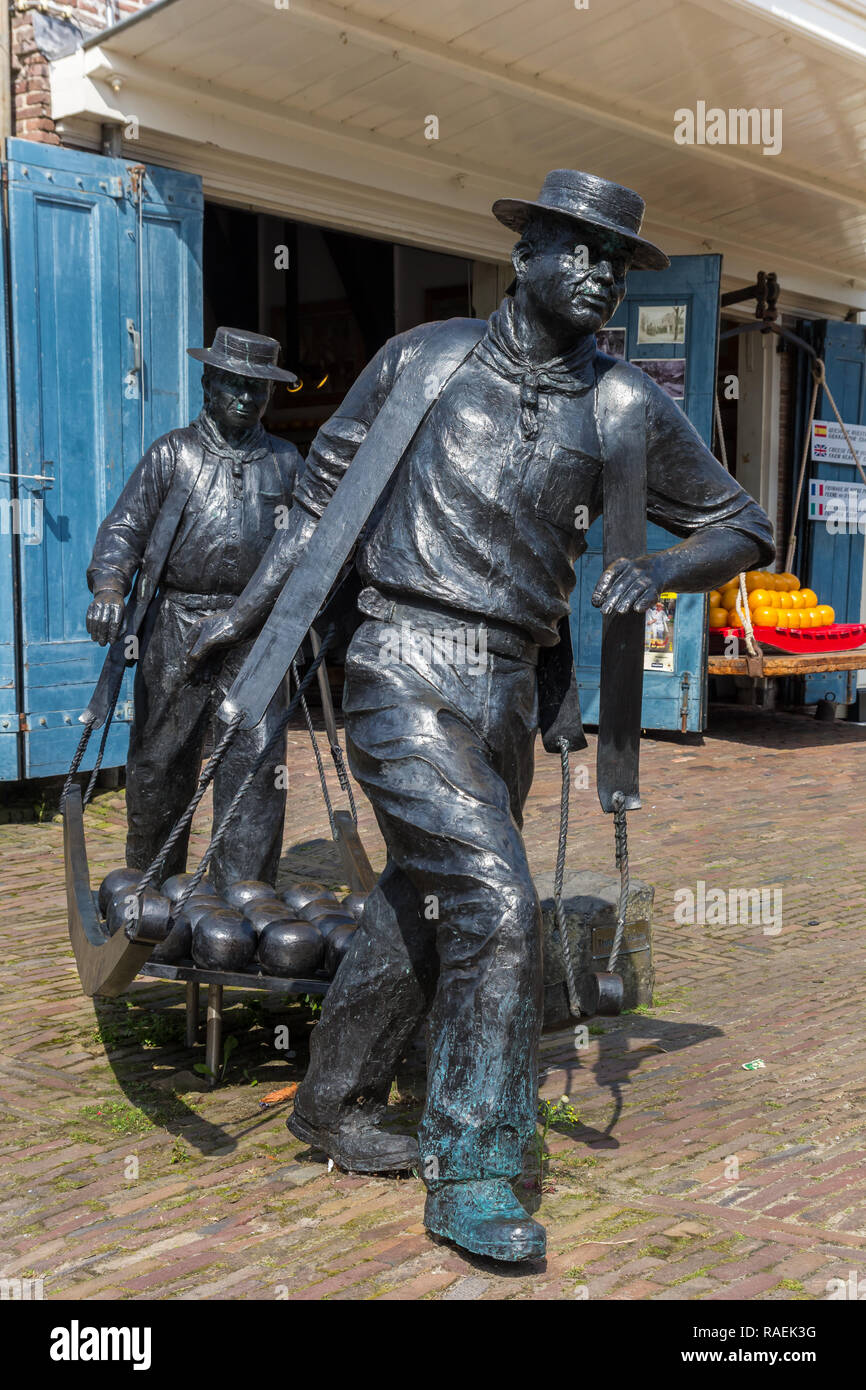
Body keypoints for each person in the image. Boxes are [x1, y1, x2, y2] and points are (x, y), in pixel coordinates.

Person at [188, 172, 775, 1260]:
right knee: (496, 900)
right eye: (578, 251)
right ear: (525, 254)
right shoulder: (421, 360)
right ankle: (475, 1163)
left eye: (615, 262)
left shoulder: (621, 406)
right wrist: (248, 627)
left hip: (508, 685)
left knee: (419, 897)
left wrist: (658, 564)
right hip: (399, 656)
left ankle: (336, 1100)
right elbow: (318, 501)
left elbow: (745, 527)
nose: (596, 276)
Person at [86, 328, 302, 894]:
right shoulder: (171, 453)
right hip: (176, 626)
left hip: (254, 635)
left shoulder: (285, 462)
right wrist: (110, 588)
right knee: (162, 762)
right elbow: (123, 530)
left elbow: (306, 546)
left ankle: (245, 899)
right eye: (233, 383)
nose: (245, 397)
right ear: (208, 383)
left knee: (255, 767)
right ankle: (152, 893)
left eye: (257, 388)